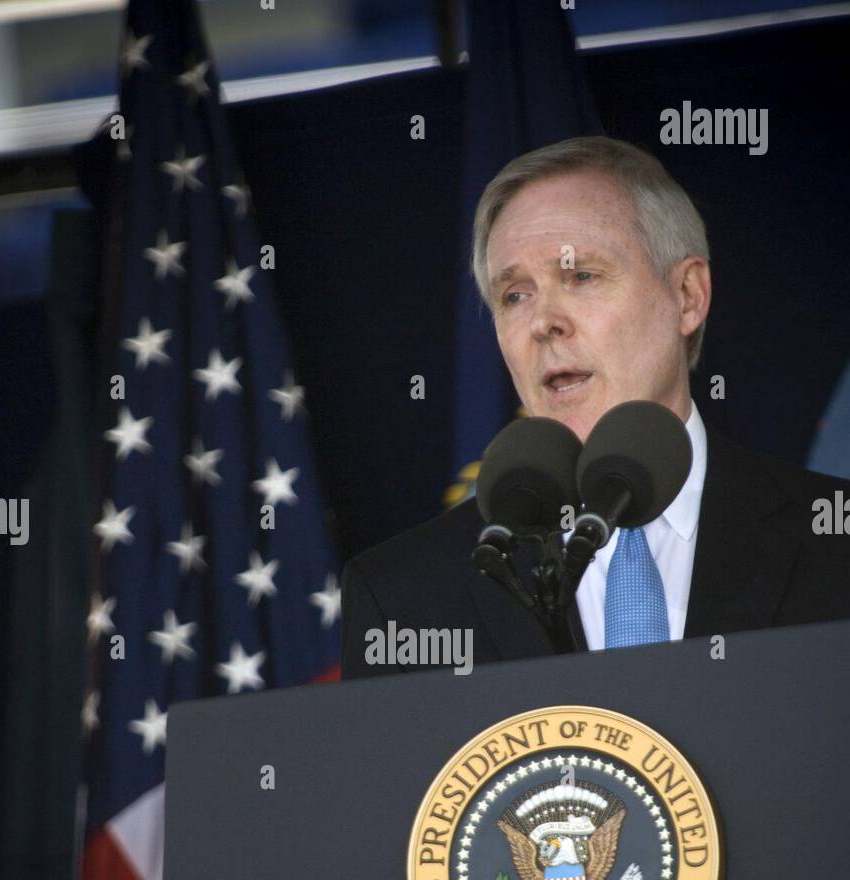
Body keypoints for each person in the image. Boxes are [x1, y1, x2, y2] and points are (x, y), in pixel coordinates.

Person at [340, 136, 850, 678]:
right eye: (515, 295)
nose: (543, 323)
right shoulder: (402, 598)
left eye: (581, 276)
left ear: (688, 296)